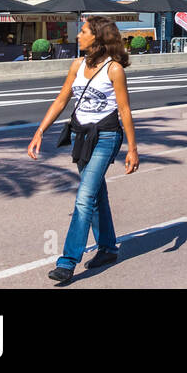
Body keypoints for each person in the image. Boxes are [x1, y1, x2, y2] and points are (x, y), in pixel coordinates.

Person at [27, 17, 139, 283]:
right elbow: (62, 98)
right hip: (80, 136)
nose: (78, 35)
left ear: (98, 37)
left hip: (106, 136)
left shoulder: (114, 70)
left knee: (84, 196)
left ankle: (67, 261)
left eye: (84, 31)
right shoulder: (77, 65)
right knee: (96, 194)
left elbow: (124, 111)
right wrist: (40, 131)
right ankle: (108, 248)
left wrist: (132, 149)